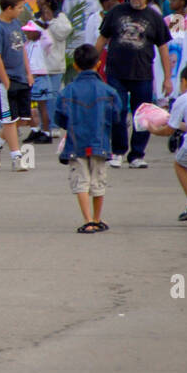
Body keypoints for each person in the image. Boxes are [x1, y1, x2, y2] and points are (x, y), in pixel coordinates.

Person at [96, 0, 172, 169]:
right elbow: (102, 39)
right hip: (116, 73)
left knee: (143, 115)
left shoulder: (154, 17)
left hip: (143, 74)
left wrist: (168, 78)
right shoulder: (116, 12)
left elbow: (163, 48)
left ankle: (137, 154)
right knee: (118, 112)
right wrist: (90, 65)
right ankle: (118, 151)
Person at [54, 44, 125, 233]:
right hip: (99, 141)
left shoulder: (67, 91)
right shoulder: (108, 91)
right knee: (98, 181)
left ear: (75, 66)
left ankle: (87, 220)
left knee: (81, 181)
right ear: (99, 63)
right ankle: (97, 217)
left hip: (76, 143)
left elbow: (59, 116)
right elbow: (118, 116)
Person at [148, 65, 187, 222]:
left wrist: (153, 130)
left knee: (179, 164)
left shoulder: (184, 98)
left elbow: (169, 130)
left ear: (184, 81)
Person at [0, 0, 34, 173]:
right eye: (19, 7)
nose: (22, 11)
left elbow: (22, 49)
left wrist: (28, 72)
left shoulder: (15, 23)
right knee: (9, 120)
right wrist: (5, 81)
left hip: (20, 77)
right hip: (4, 80)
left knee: (22, 119)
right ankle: (16, 157)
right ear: (8, 8)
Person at [28, 0, 72, 143]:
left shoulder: (60, 16)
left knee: (52, 96)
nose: (39, 1)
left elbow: (63, 34)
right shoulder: (35, 17)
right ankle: (43, 126)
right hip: (39, 65)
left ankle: (53, 127)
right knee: (42, 98)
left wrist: (50, 22)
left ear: (49, 0)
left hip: (55, 65)